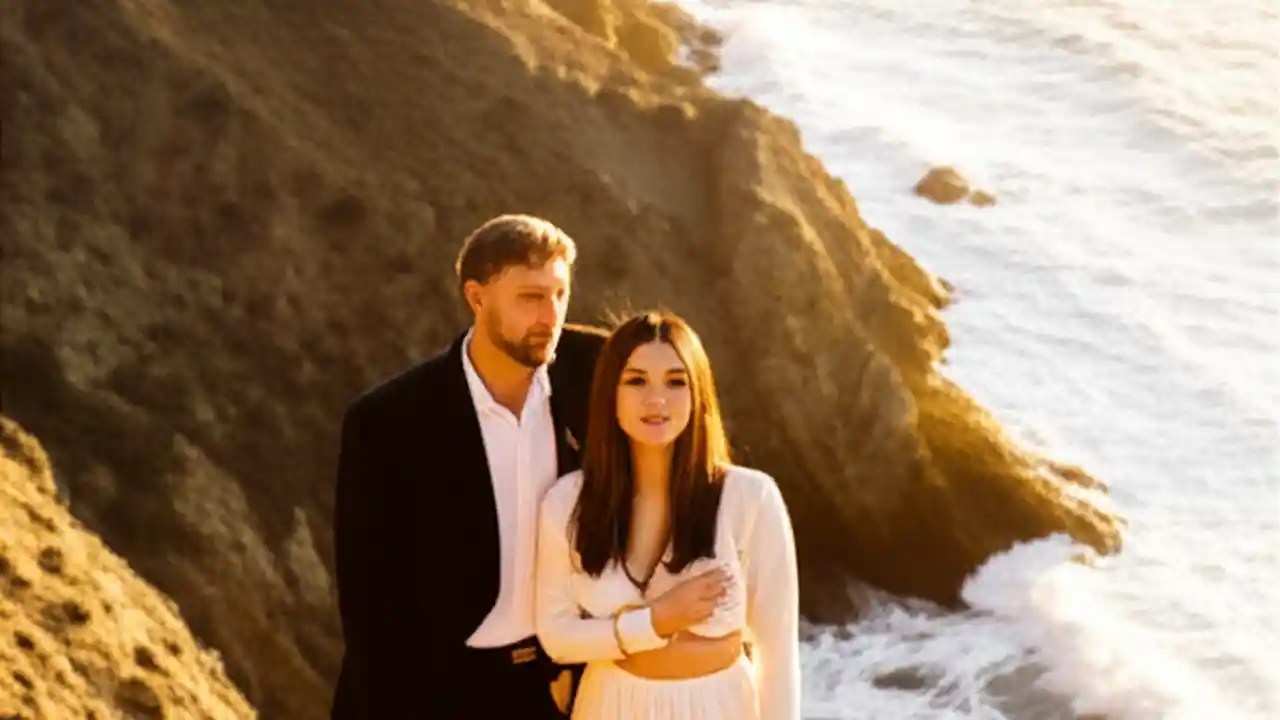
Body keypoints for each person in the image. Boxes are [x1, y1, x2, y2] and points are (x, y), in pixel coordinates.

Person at [330, 214, 605, 719]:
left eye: (560, 294)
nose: (551, 315)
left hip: (556, 689)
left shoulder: (596, 377)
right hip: (436, 692)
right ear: (476, 297)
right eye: (529, 297)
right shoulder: (388, 421)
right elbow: (370, 604)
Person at [536, 311, 801, 719]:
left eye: (676, 382)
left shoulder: (750, 497)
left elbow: (778, 652)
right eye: (636, 380)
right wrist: (655, 621)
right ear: (610, 394)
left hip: (720, 707)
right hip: (612, 706)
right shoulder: (568, 503)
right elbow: (557, 637)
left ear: (699, 395)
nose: (656, 398)